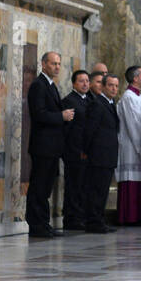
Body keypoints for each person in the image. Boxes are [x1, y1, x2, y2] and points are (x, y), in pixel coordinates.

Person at [26, 51, 73, 238]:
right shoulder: (39, 85)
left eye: (59, 64)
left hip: (52, 146)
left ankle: (43, 224)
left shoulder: (51, 85)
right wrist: (61, 116)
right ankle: (37, 225)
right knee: (39, 187)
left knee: (45, 187)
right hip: (42, 145)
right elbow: (39, 114)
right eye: (53, 63)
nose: (57, 67)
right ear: (44, 64)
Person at [81, 73, 119, 233]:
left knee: (103, 190)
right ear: (103, 86)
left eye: (116, 86)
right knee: (96, 190)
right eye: (110, 85)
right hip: (99, 155)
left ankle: (99, 219)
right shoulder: (98, 104)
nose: (114, 89)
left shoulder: (110, 103)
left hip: (108, 155)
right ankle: (93, 221)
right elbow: (90, 129)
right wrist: (86, 150)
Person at [116, 65, 141, 226]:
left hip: (140, 145)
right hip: (132, 147)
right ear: (135, 78)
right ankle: (130, 217)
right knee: (132, 182)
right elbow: (134, 125)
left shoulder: (139, 97)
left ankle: (140, 216)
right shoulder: (128, 97)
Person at [61, 69, 92, 231]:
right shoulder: (69, 101)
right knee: (74, 186)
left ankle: (82, 216)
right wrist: (76, 150)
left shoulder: (89, 100)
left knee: (84, 186)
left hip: (87, 152)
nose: (85, 84)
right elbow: (68, 130)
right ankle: (72, 218)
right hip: (75, 152)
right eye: (81, 81)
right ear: (74, 83)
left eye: (87, 81)